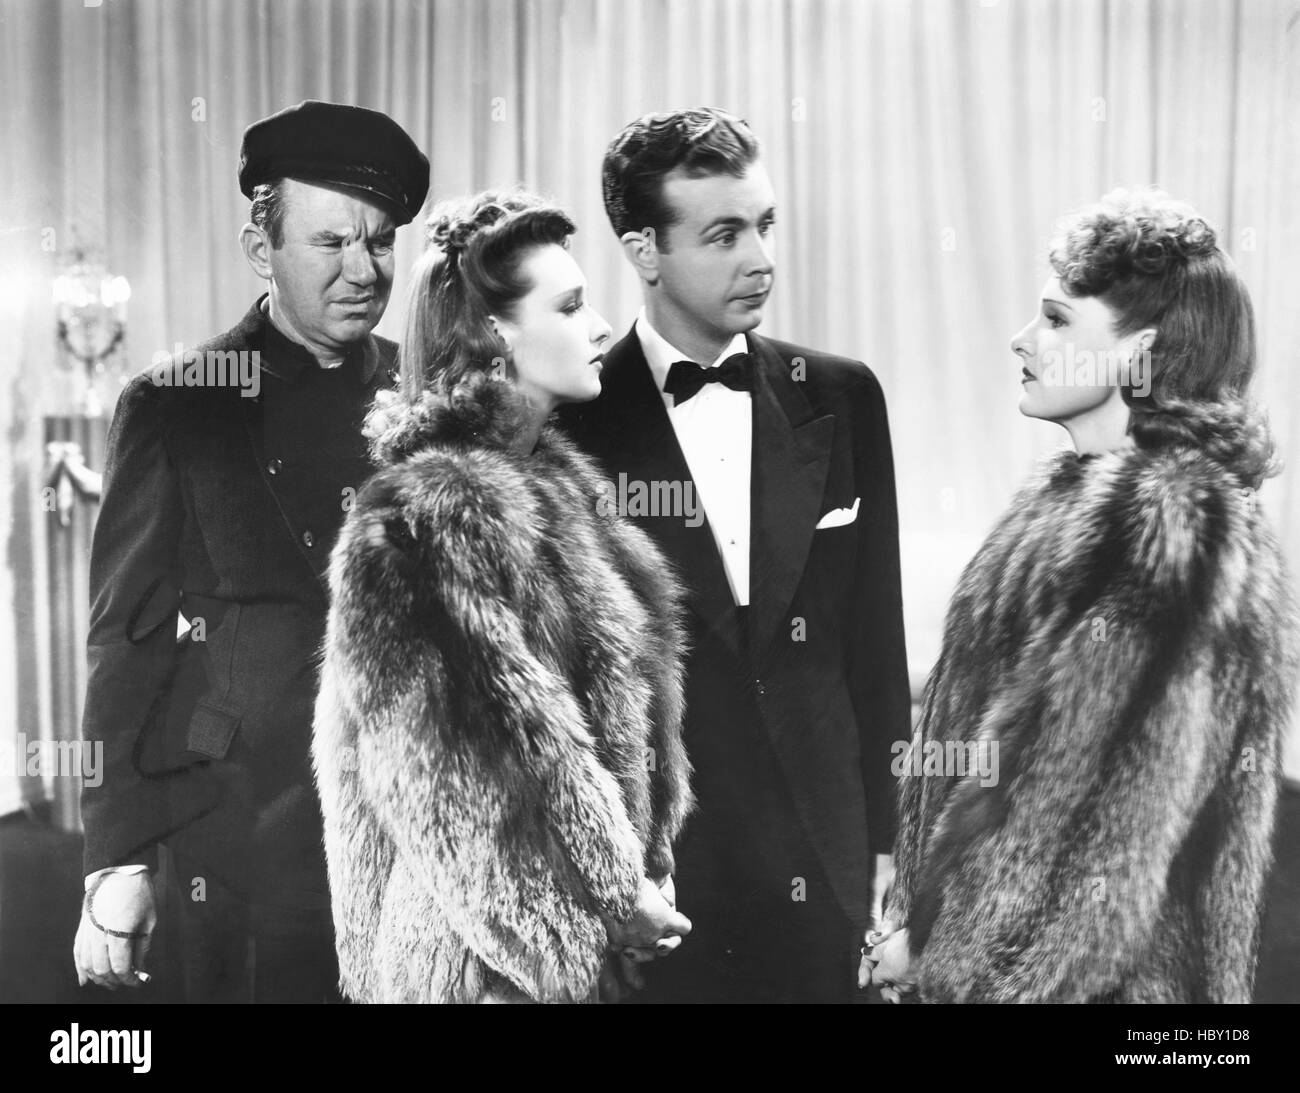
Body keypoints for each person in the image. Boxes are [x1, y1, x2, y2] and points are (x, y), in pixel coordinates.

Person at [866, 188, 1298, 1004]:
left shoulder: (1165, 531)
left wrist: (935, 963)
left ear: (1140, 353)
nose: (1023, 341)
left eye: (1058, 320)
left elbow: (1083, 844)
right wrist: (907, 922)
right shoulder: (1075, 502)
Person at [73, 100, 429, 1002]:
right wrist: (116, 857)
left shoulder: (429, 399)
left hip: (408, 836)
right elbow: (126, 640)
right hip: (234, 835)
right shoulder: (176, 403)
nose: (363, 270)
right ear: (259, 245)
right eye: (331, 243)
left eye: (381, 244)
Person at [560, 108, 912, 1003]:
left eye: (765, 225)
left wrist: (891, 842)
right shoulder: (573, 421)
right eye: (723, 234)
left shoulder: (842, 395)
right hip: (660, 878)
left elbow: (878, 642)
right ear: (645, 251)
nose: (760, 257)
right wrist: (606, 876)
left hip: (825, 858)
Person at [312, 190, 695, 1004]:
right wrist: (609, 900)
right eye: (570, 305)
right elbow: (455, 785)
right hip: (479, 960)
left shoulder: (556, 488)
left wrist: (632, 884)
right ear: (493, 333)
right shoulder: (424, 515)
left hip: (575, 954)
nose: (599, 326)